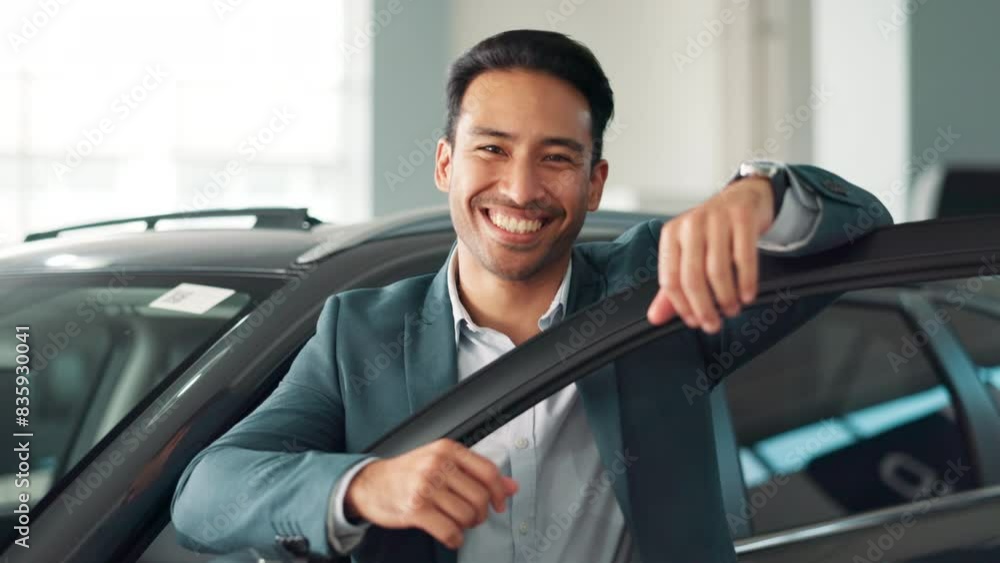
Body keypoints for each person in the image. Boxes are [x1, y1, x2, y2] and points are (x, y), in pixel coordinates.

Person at [172, 29, 892, 562]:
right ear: (445, 164)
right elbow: (207, 493)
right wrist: (363, 486)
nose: (520, 189)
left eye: (557, 158)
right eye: (491, 149)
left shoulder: (661, 286)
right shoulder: (357, 333)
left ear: (595, 181)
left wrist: (759, 193)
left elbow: (865, 223)